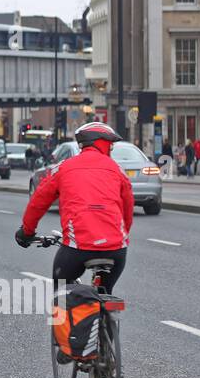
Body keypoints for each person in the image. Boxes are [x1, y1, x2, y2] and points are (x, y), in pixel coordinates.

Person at [15, 121, 133, 292]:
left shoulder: (63, 168)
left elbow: (38, 202)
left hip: (79, 248)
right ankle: (109, 314)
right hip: (116, 249)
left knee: (61, 287)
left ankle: (64, 314)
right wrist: (121, 233)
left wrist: (26, 232)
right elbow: (128, 207)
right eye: (110, 147)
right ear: (104, 144)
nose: (111, 151)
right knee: (106, 292)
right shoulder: (117, 170)